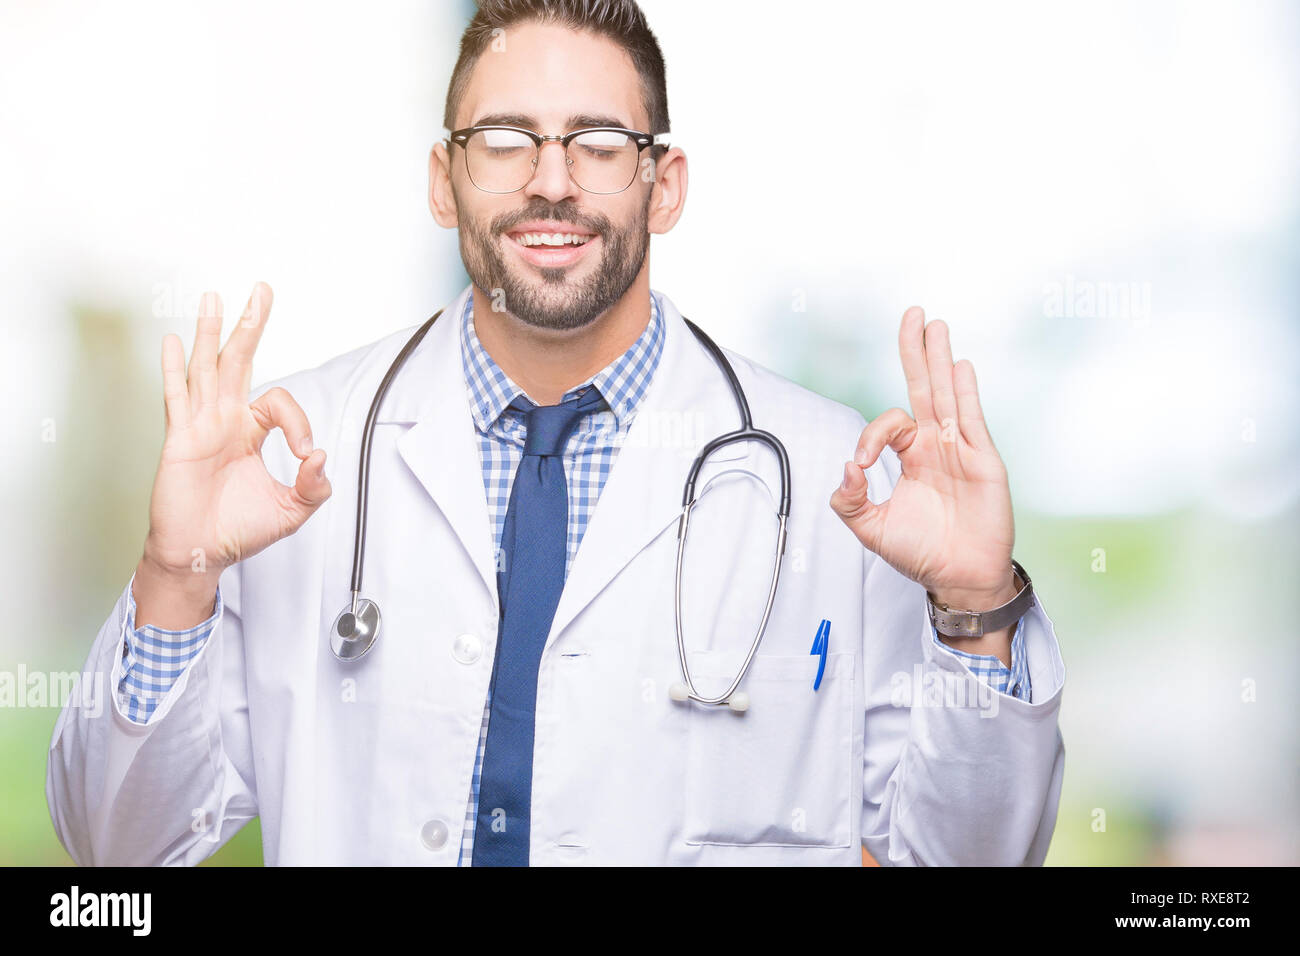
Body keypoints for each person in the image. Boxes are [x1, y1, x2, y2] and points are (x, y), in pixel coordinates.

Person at [47, 0, 1065, 866]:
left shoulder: (831, 477)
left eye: (597, 142)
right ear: (444, 181)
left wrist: (975, 605)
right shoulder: (288, 455)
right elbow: (117, 844)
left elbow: (965, 855)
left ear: (661, 186)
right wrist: (171, 576)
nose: (550, 180)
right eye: (504, 139)